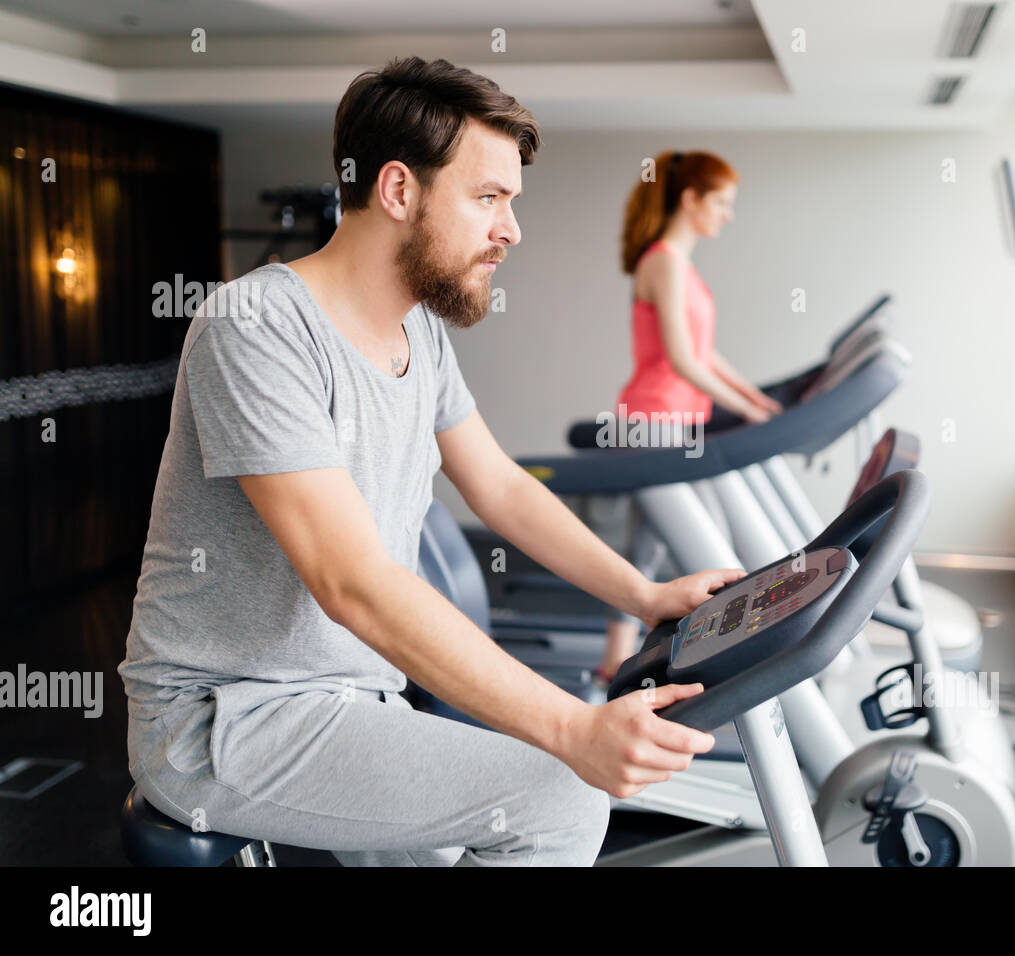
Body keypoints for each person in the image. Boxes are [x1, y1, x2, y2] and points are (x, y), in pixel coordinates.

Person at [117, 56, 745, 867]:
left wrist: (646, 594)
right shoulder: (256, 326)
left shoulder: (419, 331)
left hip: (360, 699)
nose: (511, 229)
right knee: (560, 801)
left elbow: (501, 487)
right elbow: (352, 583)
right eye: (488, 198)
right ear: (398, 191)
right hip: (227, 721)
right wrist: (572, 730)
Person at [589, 151, 783, 685]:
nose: (727, 214)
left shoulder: (681, 265)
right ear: (690, 199)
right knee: (705, 539)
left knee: (648, 544)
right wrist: (745, 409)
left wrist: (753, 397)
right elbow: (681, 360)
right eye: (721, 203)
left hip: (674, 423)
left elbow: (706, 353)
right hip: (652, 421)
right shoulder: (664, 262)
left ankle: (614, 661)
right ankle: (718, 661)